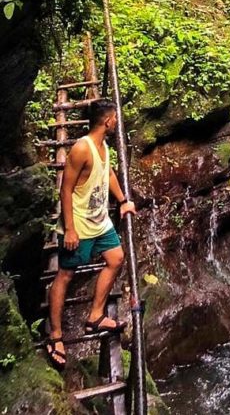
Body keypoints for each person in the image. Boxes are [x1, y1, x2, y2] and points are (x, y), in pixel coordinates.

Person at [45, 100, 136, 370]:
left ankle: (95, 314)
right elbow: (65, 189)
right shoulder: (82, 148)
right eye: (115, 118)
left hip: (100, 221)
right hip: (80, 225)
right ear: (107, 121)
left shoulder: (103, 146)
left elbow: (107, 174)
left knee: (116, 258)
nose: (117, 122)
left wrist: (122, 201)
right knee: (65, 275)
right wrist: (70, 229)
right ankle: (56, 335)